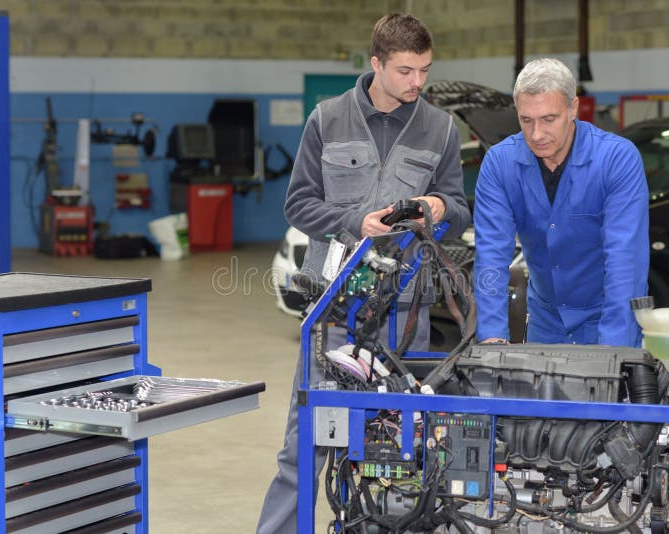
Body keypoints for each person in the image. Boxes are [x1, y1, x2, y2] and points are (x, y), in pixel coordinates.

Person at [257, 13, 470, 533]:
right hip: (334, 316)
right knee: (305, 445)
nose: (417, 82)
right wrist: (356, 222)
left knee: (399, 451)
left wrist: (438, 208)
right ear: (375, 64)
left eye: (424, 69)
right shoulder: (327, 119)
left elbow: (461, 210)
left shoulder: (440, 127)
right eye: (404, 70)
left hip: (405, 318)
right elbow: (299, 204)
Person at [474, 58, 648, 348]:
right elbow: (491, 254)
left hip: (607, 318)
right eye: (526, 120)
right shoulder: (499, 164)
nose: (536, 134)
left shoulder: (617, 159)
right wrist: (492, 336)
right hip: (546, 322)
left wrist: (614, 350)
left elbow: (625, 262)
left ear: (573, 109)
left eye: (548, 119)